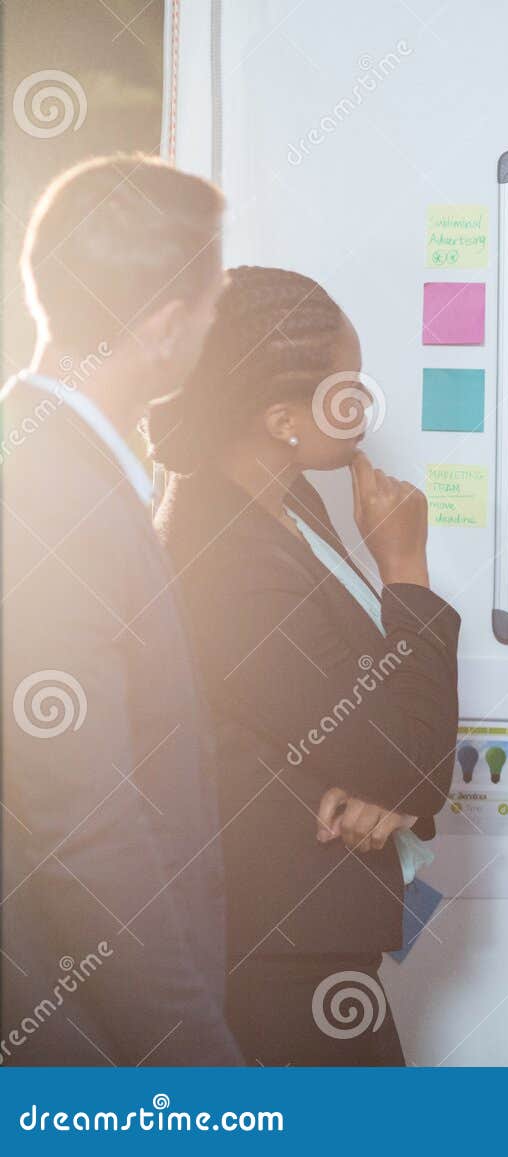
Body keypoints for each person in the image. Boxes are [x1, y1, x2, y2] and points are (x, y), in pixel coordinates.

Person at [146, 266, 460, 1065]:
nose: (363, 405)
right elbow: (409, 759)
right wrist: (406, 568)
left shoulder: (286, 501)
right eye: (345, 387)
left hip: (304, 939)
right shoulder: (227, 551)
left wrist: (379, 785)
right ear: (283, 417)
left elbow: (375, 740)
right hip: (274, 950)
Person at [0, 155, 242, 1064]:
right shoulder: (53, 496)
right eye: (212, 307)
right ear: (167, 329)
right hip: (84, 1045)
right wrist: (201, 1065)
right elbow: (84, 830)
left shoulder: (53, 465)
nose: (214, 326)